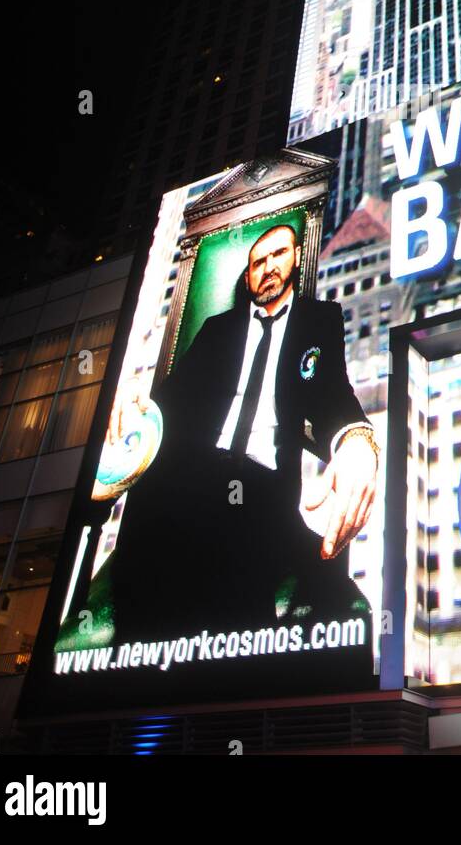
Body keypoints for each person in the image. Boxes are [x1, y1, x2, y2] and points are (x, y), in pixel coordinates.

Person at [107, 223, 378, 666]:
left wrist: (357, 440)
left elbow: (333, 395)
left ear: (295, 257)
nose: (267, 267)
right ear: (247, 276)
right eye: (257, 263)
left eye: (278, 254)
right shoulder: (217, 329)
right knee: (163, 551)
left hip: (263, 489)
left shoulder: (319, 321)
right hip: (192, 477)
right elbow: (172, 402)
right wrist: (141, 402)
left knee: (325, 610)